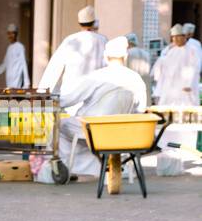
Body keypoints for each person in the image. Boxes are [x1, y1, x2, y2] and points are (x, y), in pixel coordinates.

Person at [56, 35, 148, 180]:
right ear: (125, 56)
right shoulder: (136, 79)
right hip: (123, 132)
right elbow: (141, 109)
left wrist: (52, 100)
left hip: (93, 130)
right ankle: (109, 167)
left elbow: (69, 99)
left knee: (59, 126)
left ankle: (74, 167)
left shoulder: (97, 77)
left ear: (105, 57)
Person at [38, 5, 106, 94]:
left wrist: (42, 91)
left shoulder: (70, 40)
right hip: (95, 94)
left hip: (71, 94)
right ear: (93, 22)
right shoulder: (103, 40)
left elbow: (55, 66)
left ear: (79, 23)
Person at [152, 24, 199, 105]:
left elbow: (195, 67)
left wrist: (189, 83)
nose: (175, 39)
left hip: (185, 86)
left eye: (178, 36)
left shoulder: (192, 50)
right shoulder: (170, 50)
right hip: (170, 86)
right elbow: (161, 65)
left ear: (184, 37)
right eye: (173, 37)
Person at [0, 23, 30, 89]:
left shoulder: (20, 47)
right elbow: (4, 64)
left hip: (17, 80)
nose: (11, 36)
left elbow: (23, 64)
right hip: (9, 80)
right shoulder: (9, 48)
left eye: (13, 33)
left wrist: (27, 82)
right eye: (9, 33)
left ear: (16, 34)